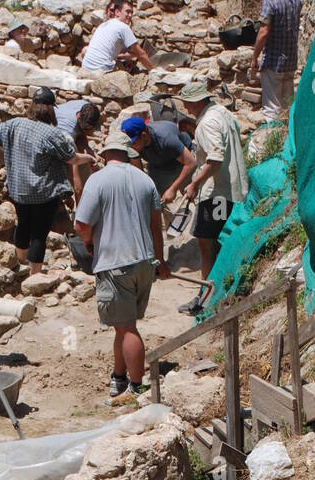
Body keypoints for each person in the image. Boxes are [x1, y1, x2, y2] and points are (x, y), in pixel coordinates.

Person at [75, 129, 171, 399]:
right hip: (143, 263)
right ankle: (118, 376)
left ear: (105, 154)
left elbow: (82, 223)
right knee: (122, 323)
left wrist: (89, 242)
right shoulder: (145, 180)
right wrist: (160, 262)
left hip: (115, 264)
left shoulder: (98, 180)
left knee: (127, 327)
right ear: (129, 154)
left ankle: (137, 386)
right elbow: (156, 226)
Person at [0, 92, 88, 275]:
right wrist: (89, 157)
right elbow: (72, 159)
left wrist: (14, 149)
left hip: (18, 189)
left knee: (23, 225)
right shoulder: (52, 134)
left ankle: (20, 263)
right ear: (51, 110)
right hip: (44, 193)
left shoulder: (13, 124)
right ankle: (35, 277)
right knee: (39, 234)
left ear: (32, 106)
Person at [176, 81, 249, 311]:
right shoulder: (224, 114)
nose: (187, 109)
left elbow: (214, 159)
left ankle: (207, 299)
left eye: (188, 104)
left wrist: (194, 184)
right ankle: (218, 292)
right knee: (219, 241)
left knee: (207, 245)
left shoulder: (206, 123)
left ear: (197, 101)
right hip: (232, 189)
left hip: (215, 193)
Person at [250, 0, 303, 122]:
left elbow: (264, 32)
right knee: (287, 107)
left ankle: (272, 144)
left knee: (272, 110)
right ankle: (289, 140)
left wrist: (254, 57)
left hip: (273, 62)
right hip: (290, 62)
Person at [120, 114, 196, 209]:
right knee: (157, 199)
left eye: (133, 143)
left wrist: (173, 189)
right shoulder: (135, 145)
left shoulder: (166, 139)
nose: (131, 147)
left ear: (143, 135)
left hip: (179, 160)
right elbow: (138, 170)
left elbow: (191, 163)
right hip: (158, 163)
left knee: (189, 195)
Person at [80, 0, 154, 74]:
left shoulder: (103, 25)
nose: (130, 15)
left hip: (85, 69)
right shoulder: (123, 27)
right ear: (117, 12)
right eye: (127, 12)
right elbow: (140, 54)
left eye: (131, 12)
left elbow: (113, 51)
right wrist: (153, 71)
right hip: (101, 71)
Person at [54, 99, 102, 198]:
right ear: (79, 116)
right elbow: (75, 177)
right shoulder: (68, 132)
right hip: (57, 140)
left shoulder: (85, 106)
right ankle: (83, 202)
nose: (87, 131)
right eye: (84, 128)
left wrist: (86, 147)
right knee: (79, 169)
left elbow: (81, 131)